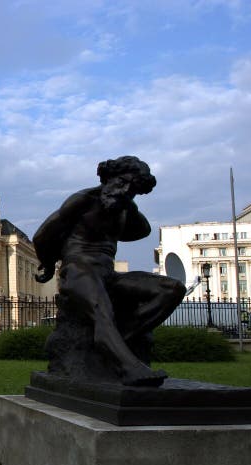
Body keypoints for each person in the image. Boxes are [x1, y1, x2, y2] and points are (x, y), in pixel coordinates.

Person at [34, 156, 185, 386]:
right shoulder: (83, 200)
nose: (126, 190)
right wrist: (47, 264)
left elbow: (142, 231)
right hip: (78, 269)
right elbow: (42, 235)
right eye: (123, 182)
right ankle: (128, 366)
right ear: (110, 178)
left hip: (108, 274)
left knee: (172, 289)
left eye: (133, 189)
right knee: (100, 307)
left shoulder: (124, 208)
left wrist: (128, 203)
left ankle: (117, 339)